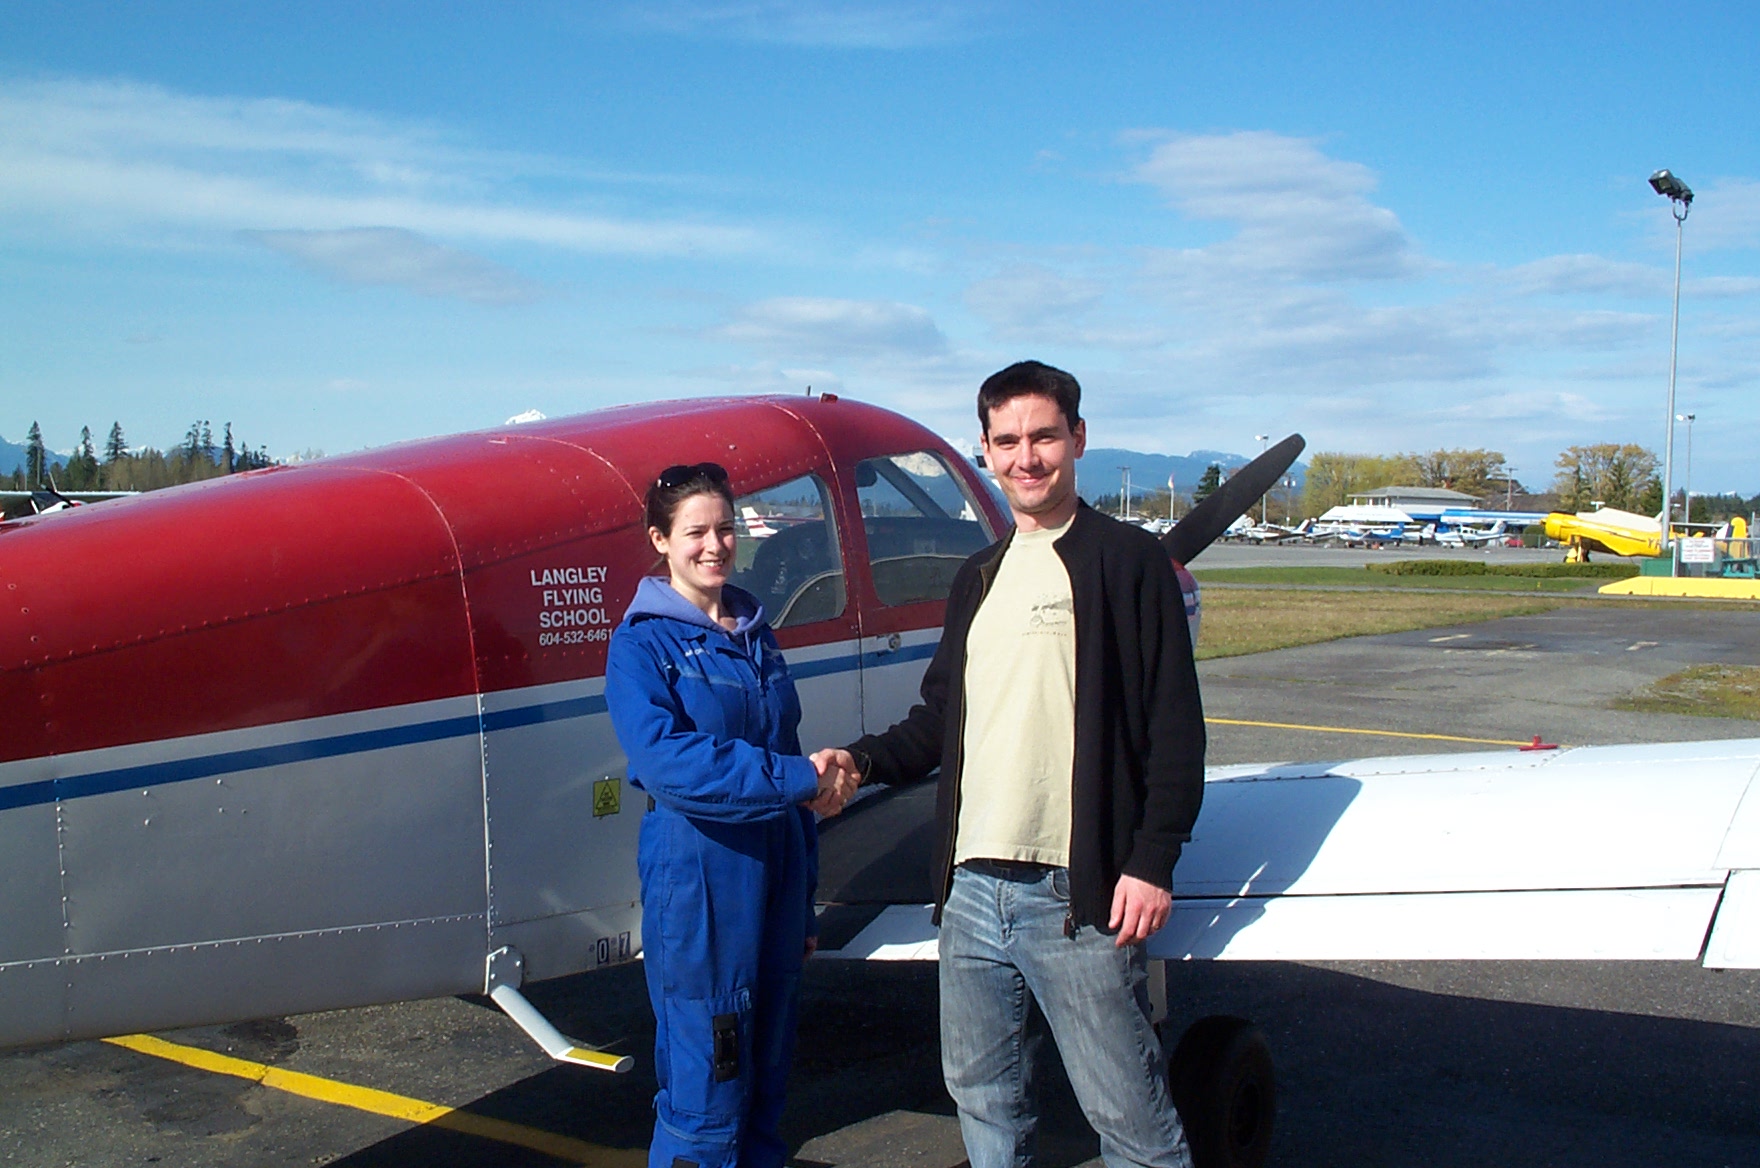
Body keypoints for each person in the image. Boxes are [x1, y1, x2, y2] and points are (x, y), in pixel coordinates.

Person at [815, 361, 1206, 1168]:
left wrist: (1151, 860)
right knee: (987, 1105)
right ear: (986, 452)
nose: (1026, 458)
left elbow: (1176, 729)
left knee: (1134, 1127)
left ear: (1078, 439)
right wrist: (858, 758)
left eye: (1043, 437)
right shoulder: (979, 577)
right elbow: (940, 721)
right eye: (1007, 441)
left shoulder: (1129, 562)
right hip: (968, 894)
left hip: (1076, 893)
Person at [607, 462, 856, 1168]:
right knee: (707, 1089)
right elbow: (671, 765)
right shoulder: (641, 645)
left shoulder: (754, 633)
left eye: (725, 528)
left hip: (774, 872)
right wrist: (798, 779)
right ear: (661, 539)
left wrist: (803, 900)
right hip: (699, 875)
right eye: (695, 532)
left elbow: (788, 754)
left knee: (766, 1082)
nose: (714, 544)